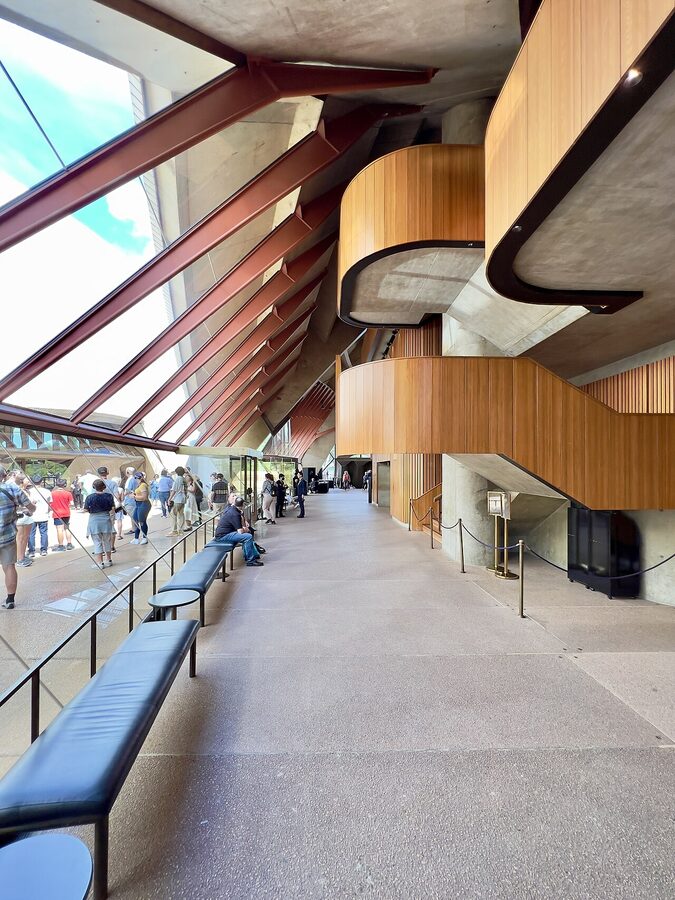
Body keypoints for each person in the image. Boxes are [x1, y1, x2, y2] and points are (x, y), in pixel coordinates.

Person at [0, 465, 35, 608]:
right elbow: (31, 507)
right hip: (7, 536)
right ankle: (10, 600)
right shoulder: (12, 488)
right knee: (9, 566)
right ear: (4, 476)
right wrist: (29, 509)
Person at [214, 497, 263, 567]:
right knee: (248, 537)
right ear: (242, 505)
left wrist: (245, 528)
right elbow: (240, 531)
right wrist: (246, 529)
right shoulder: (235, 514)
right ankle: (250, 560)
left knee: (248, 534)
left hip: (225, 533)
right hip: (223, 536)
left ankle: (252, 555)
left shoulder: (232, 509)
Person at [84, 479, 114, 568]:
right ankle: (108, 560)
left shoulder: (90, 497)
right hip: (106, 518)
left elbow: (85, 509)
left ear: (94, 487)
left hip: (94, 520)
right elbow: (112, 508)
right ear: (104, 487)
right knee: (107, 540)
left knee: (97, 542)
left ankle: (100, 562)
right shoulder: (109, 496)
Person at [97, 466, 122, 552]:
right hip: (110, 507)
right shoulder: (113, 483)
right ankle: (111, 547)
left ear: (98, 474)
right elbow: (117, 496)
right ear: (107, 473)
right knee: (111, 526)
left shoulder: (96, 483)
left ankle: (102, 548)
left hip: (99, 508)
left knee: (100, 527)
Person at [27, 475, 52, 557]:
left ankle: (31, 551)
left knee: (31, 534)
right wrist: (47, 511)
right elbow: (49, 504)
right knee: (44, 533)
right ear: (41, 481)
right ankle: (44, 550)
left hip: (32, 515)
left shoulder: (29, 492)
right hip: (43, 514)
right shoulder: (47, 491)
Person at [15, 475, 34, 568]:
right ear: (21, 481)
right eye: (27, 480)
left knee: (25, 537)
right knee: (20, 538)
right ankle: (19, 558)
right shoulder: (17, 491)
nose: (29, 481)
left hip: (28, 516)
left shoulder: (27, 491)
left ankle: (22, 555)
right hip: (20, 515)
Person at [50, 478, 74, 551]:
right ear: (65, 485)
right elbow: (72, 504)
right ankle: (69, 544)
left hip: (57, 513)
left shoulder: (52, 493)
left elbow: (50, 503)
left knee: (59, 529)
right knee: (67, 528)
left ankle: (61, 545)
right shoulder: (68, 493)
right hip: (66, 513)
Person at [131, 472, 151, 545]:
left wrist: (134, 496)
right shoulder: (139, 485)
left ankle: (144, 538)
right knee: (135, 520)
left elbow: (144, 497)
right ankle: (136, 538)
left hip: (143, 504)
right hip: (138, 504)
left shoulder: (143, 485)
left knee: (142, 521)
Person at [169, 466, 187, 535]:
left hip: (177, 498)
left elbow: (174, 490)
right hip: (183, 498)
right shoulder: (184, 479)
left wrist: (169, 499)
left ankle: (174, 530)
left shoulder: (177, 479)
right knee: (181, 514)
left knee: (173, 514)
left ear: (176, 472)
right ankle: (181, 530)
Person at [122, 467, 138, 534]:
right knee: (133, 515)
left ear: (127, 472)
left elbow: (128, 490)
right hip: (134, 499)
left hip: (130, 500)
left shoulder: (130, 479)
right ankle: (135, 528)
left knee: (132, 516)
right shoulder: (135, 479)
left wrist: (122, 496)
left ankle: (134, 529)